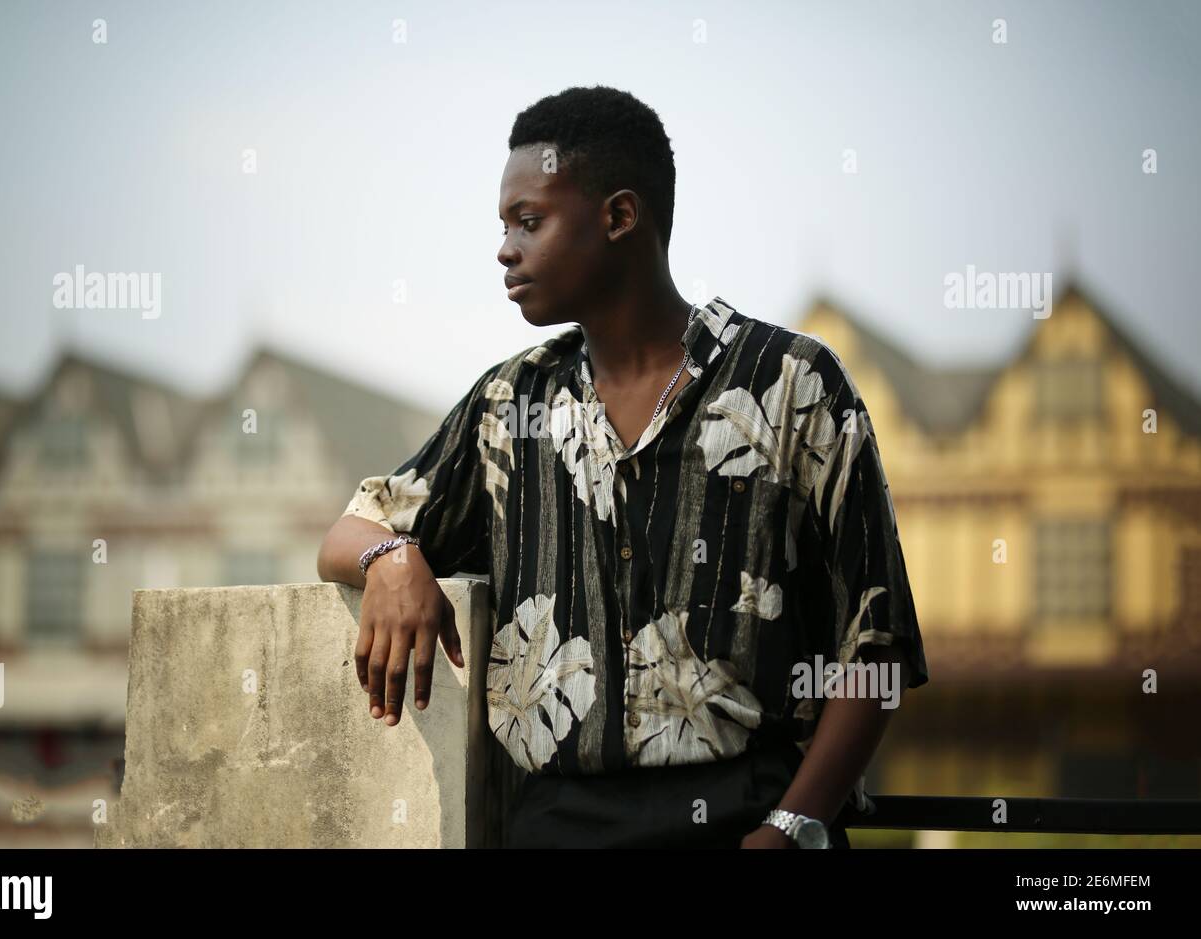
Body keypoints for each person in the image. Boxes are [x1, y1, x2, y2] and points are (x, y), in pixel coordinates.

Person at [317, 85, 929, 849]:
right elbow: (348, 530)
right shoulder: (510, 402)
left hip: (750, 814)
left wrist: (790, 826)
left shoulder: (793, 383)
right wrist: (391, 554)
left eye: (529, 221)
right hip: (555, 826)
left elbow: (878, 645)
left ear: (618, 216)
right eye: (504, 225)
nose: (505, 249)